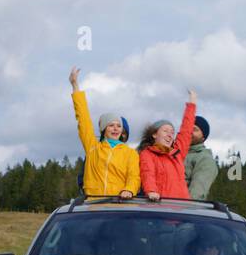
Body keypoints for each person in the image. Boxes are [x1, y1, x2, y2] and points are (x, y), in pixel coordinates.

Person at [69, 66, 138, 198]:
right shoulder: (92, 147)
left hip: (118, 204)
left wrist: (129, 189)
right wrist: (75, 85)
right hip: (94, 205)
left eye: (119, 126)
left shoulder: (131, 153)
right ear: (103, 129)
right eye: (111, 125)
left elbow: (134, 176)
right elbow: (83, 119)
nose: (116, 128)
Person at [138, 89, 197, 201]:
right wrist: (151, 191)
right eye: (165, 131)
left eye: (172, 132)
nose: (170, 135)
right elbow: (147, 173)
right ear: (154, 134)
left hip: (183, 206)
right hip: (161, 206)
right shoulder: (147, 154)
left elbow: (186, 130)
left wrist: (192, 103)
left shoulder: (177, 153)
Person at [185, 116, 217, 200]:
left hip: (177, 207)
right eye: (188, 128)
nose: (190, 132)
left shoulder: (205, 159)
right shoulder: (174, 152)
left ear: (203, 137)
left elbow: (196, 193)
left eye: (195, 129)